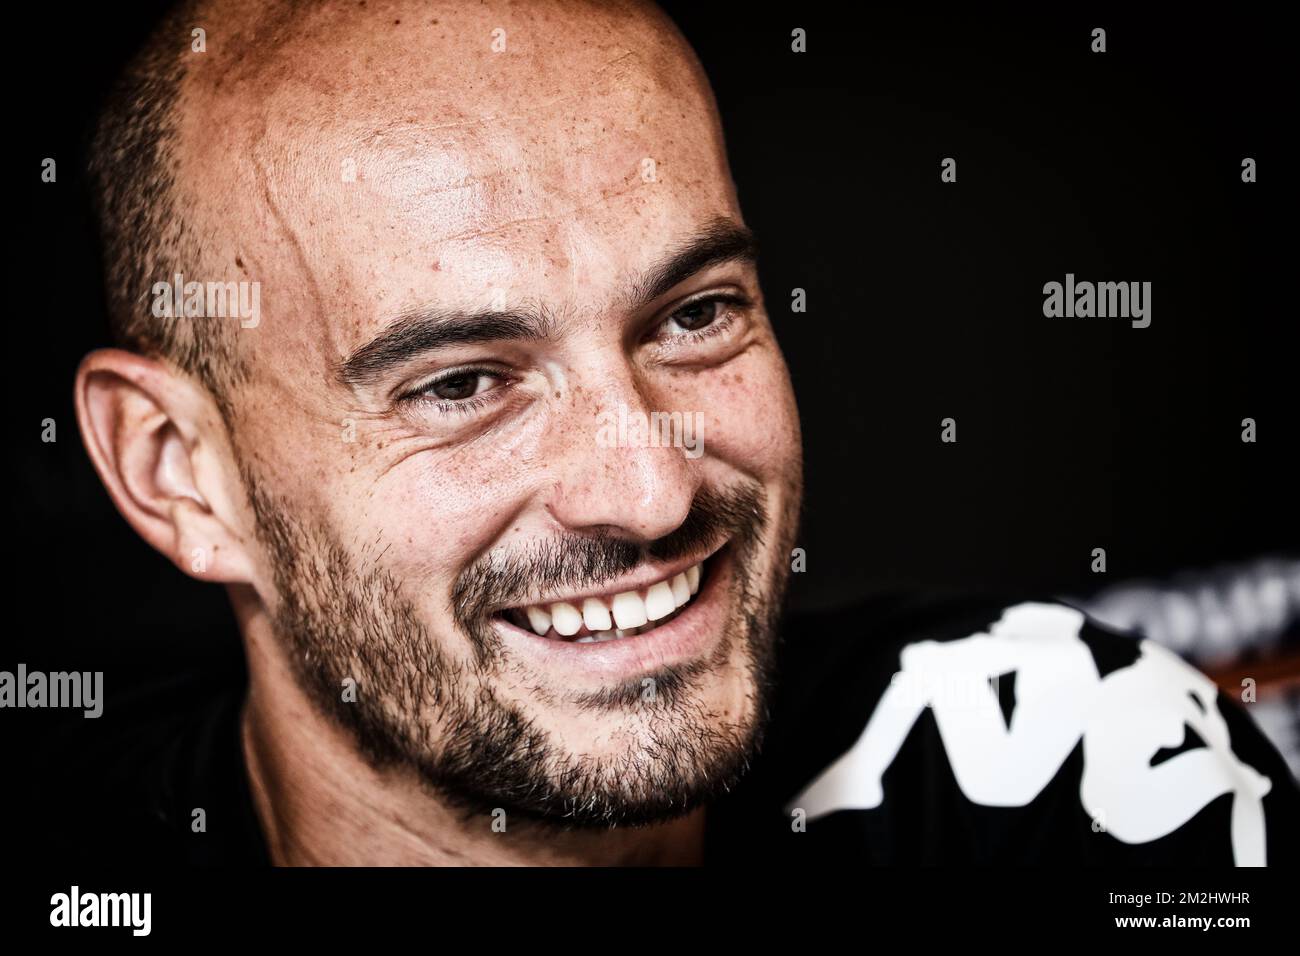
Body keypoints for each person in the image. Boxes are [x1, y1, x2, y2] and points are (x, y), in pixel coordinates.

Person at [55, 0, 1296, 865]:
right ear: (181, 475)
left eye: (695, 314)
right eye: (459, 384)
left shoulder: (1049, 757)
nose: (649, 491)